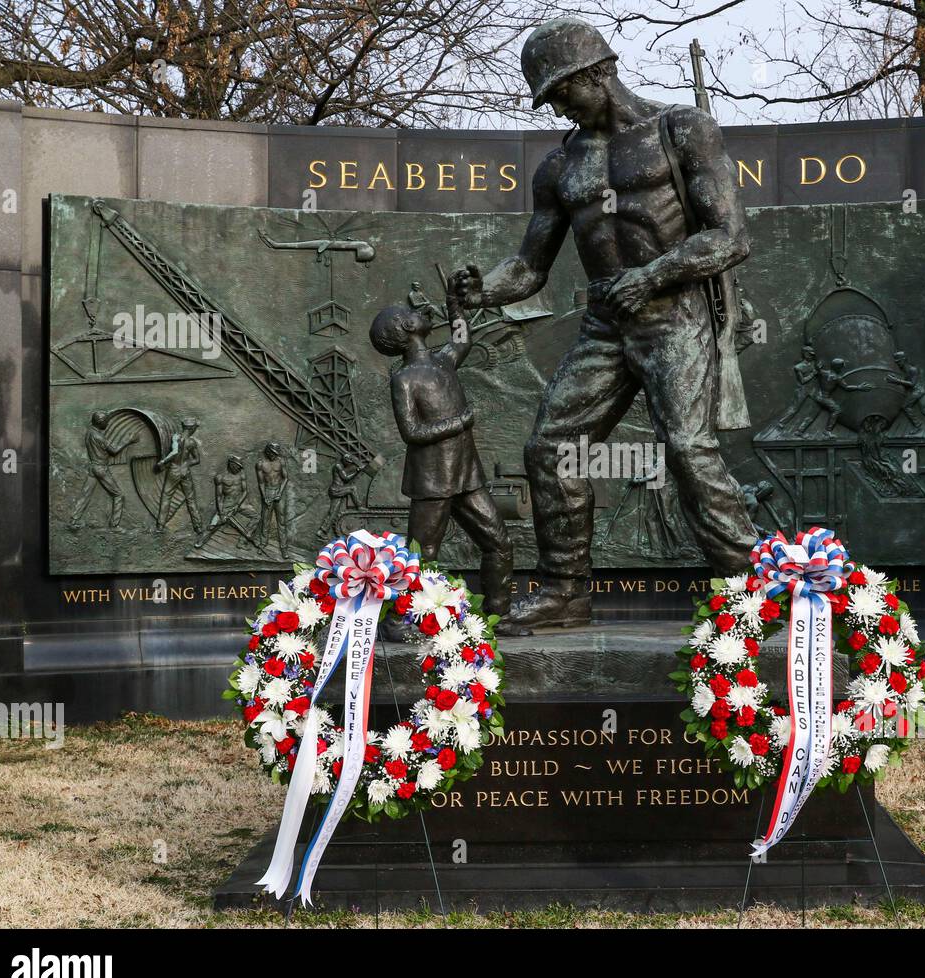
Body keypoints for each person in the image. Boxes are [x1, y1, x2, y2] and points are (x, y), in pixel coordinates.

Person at [450, 17, 756, 631]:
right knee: (552, 446)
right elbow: (530, 267)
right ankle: (567, 591)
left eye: (562, 92)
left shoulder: (681, 130)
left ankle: (751, 590)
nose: (557, 107)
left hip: (675, 314)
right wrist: (485, 290)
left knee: (689, 451)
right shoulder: (561, 165)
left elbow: (729, 236)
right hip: (605, 328)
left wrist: (652, 276)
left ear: (597, 73)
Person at [369, 298, 513, 619]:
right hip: (432, 480)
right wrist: (459, 423)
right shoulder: (404, 379)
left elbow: (462, 338)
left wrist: (454, 304)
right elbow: (412, 432)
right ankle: (403, 620)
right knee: (422, 555)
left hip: (465, 475)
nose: (419, 313)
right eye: (411, 313)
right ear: (406, 327)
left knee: (499, 543)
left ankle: (499, 616)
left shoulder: (443, 361)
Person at [69, 410, 137, 529]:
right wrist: (128, 440)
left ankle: (73, 520)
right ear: (100, 422)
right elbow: (114, 451)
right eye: (106, 421)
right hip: (101, 469)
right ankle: (114, 526)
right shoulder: (98, 436)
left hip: (93, 467)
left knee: (85, 494)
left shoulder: (90, 432)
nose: (108, 423)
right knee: (119, 495)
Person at [155, 417, 204, 536]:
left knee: (166, 497)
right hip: (185, 471)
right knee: (191, 499)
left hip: (174, 470)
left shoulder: (176, 438)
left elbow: (174, 452)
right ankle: (198, 527)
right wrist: (186, 464)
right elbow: (197, 460)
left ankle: (160, 526)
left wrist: (163, 462)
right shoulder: (191, 442)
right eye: (194, 428)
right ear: (191, 428)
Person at [253, 442, 292, 557]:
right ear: (268, 451)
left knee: (282, 521)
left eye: (276, 453)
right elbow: (261, 482)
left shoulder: (281, 461)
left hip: (279, 492)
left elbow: (285, 478)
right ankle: (263, 544)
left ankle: (284, 548)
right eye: (272, 453)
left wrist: (280, 493)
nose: (274, 455)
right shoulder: (260, 464)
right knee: (265, 520)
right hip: (268, 492)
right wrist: (264, 496)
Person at [316, 453, 362, 540]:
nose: (349, 464)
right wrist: (357, 470)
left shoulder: (340, 466)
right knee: (352, 489)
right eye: (349, 462)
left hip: (337, 489)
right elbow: (345, 478)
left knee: (333, 512)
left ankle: (322, 531)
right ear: (345, 460)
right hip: (336, 490)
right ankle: (359, 506)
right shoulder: (338, 466)